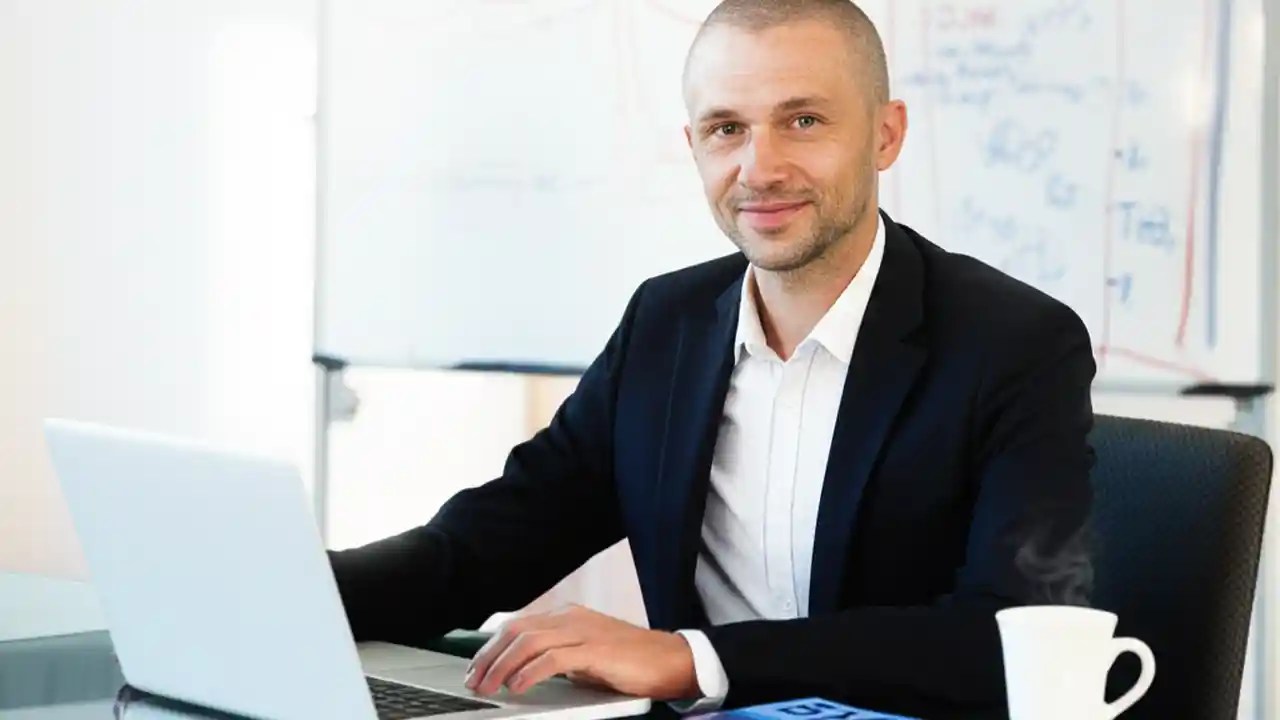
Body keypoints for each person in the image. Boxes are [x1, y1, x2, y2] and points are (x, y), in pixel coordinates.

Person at [328, 0, 1095, 717]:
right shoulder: (667, 324)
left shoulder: (1014, 343)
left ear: (885, 134)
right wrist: (290, 588)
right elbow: (485, 546)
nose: (760, 168)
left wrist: (694, 660)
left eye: (802, 120)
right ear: (693, 145)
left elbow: (1012, 641)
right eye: (727, 128)